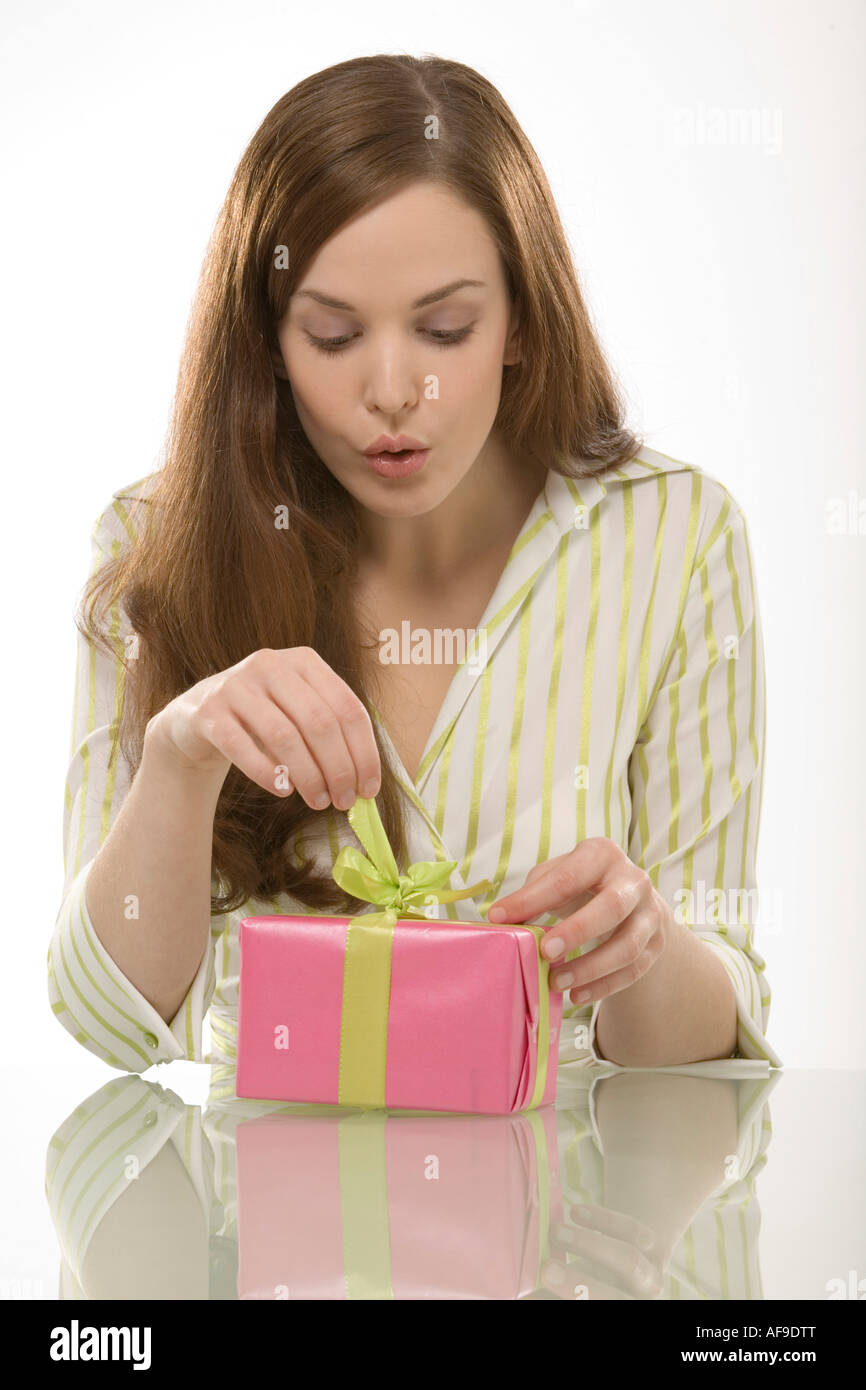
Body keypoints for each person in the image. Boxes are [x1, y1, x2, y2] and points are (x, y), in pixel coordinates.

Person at [48, 53, 782, 1078]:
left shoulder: (675, 536)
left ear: (522, 318)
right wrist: (181, 755)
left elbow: (708, 1051)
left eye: (445, 328)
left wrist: (642, 946)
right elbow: (108, 1025)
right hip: (257, 1224)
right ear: (267, 339)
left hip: (550, 1227)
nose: (392, 391)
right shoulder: (153, 541)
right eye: (332, 334)